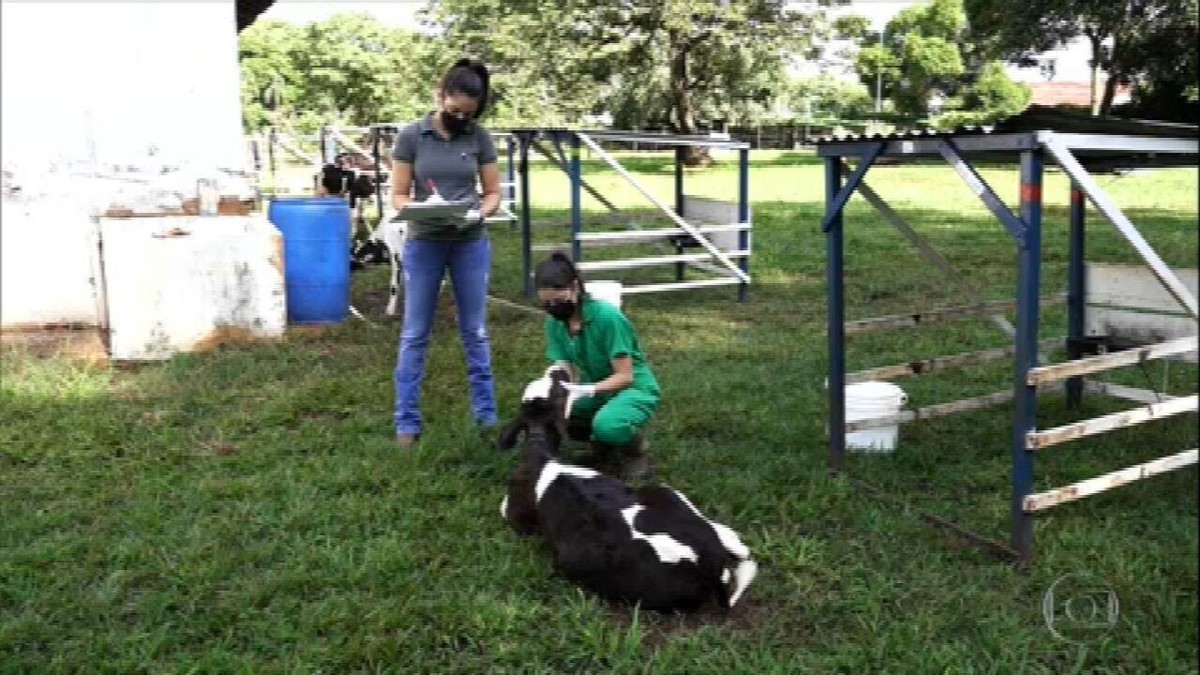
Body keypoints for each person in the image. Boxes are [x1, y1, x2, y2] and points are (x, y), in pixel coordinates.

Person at [390, 58, 502, 447]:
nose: (460, 118)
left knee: (475, 331)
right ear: (440, 95)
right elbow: (399, 195)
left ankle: (487, 418)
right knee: (415, 333)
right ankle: (407, 423)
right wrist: (416, 208)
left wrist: (477, 213)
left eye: (468, 114)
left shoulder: (479, 137)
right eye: (454, 110)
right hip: (425, 242)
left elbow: (492, 193)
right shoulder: (411, 137)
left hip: (470, 243)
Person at [534, 252, 661, 480]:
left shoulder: (607, 317)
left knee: (608, 425)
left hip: (632, 387)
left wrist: (589, 390)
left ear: (575, 287)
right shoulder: (555, 322)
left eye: (559, 301)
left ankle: (637, 453)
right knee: (558, 413)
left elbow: (625, 376)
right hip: (595, 383)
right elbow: (564, 364)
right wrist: (553, 383)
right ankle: (603, 451)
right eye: (547, 303)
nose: (554, 307)